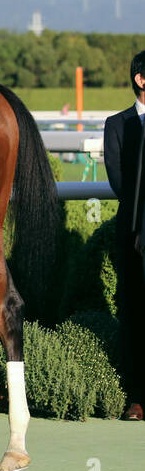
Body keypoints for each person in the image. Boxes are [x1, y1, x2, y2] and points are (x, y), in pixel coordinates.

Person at [104, 49, 145, 420]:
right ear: (141, 80)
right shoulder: (116, 124)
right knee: (134, 313)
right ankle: (137, 396)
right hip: (133, 233)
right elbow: (119, 182)